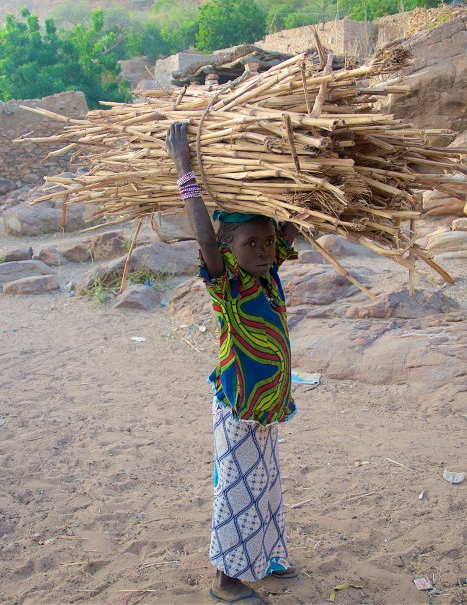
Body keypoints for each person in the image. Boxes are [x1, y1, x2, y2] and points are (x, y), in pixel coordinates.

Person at [166, 122, 299, 604]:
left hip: (266, 406)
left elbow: (293, 222)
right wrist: (186, 169)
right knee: (238, 492)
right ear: (227, 250)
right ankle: (226, 580)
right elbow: (205, 235)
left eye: (267, 243)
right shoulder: (228, 285)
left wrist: (292, 167)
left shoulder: (268, 273)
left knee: (265, 484)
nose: (264, 251)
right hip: (239, 407)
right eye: (251, 244)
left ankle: (266, 556)